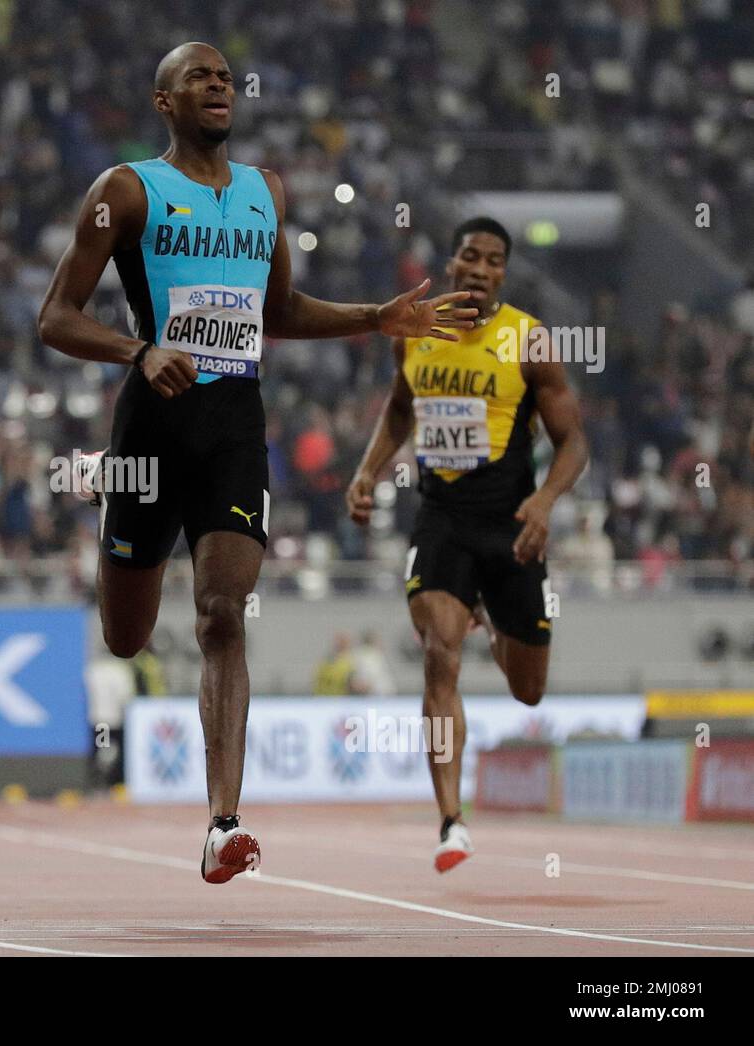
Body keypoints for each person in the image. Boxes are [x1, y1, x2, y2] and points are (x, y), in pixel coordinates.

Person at [38, 41, 477, 884]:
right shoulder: (127, 191)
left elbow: (278, 310)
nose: (217, 85)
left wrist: (373, 316)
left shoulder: (264, 192)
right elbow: (55, 317)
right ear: (163, 102)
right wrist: (138, 351)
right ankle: (109, 499)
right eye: (197, 77)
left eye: (226, 78)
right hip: (150, 426)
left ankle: (221, 825)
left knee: (221, 614)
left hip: (236, 423)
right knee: (126, 640)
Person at [346, 216, 588, 872]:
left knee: (528, 690)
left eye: (493, 261)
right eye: (470, 256)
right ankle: (451, 821)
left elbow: (575, 442)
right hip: (443, 519)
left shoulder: (528, 340)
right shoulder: (415, 331)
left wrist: (544, 501)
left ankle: (496, 622)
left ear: (503, 274)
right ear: (452, 261)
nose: (480, 269)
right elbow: (401, 407)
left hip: (510, 526)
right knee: (438, 657)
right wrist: (369, 470)